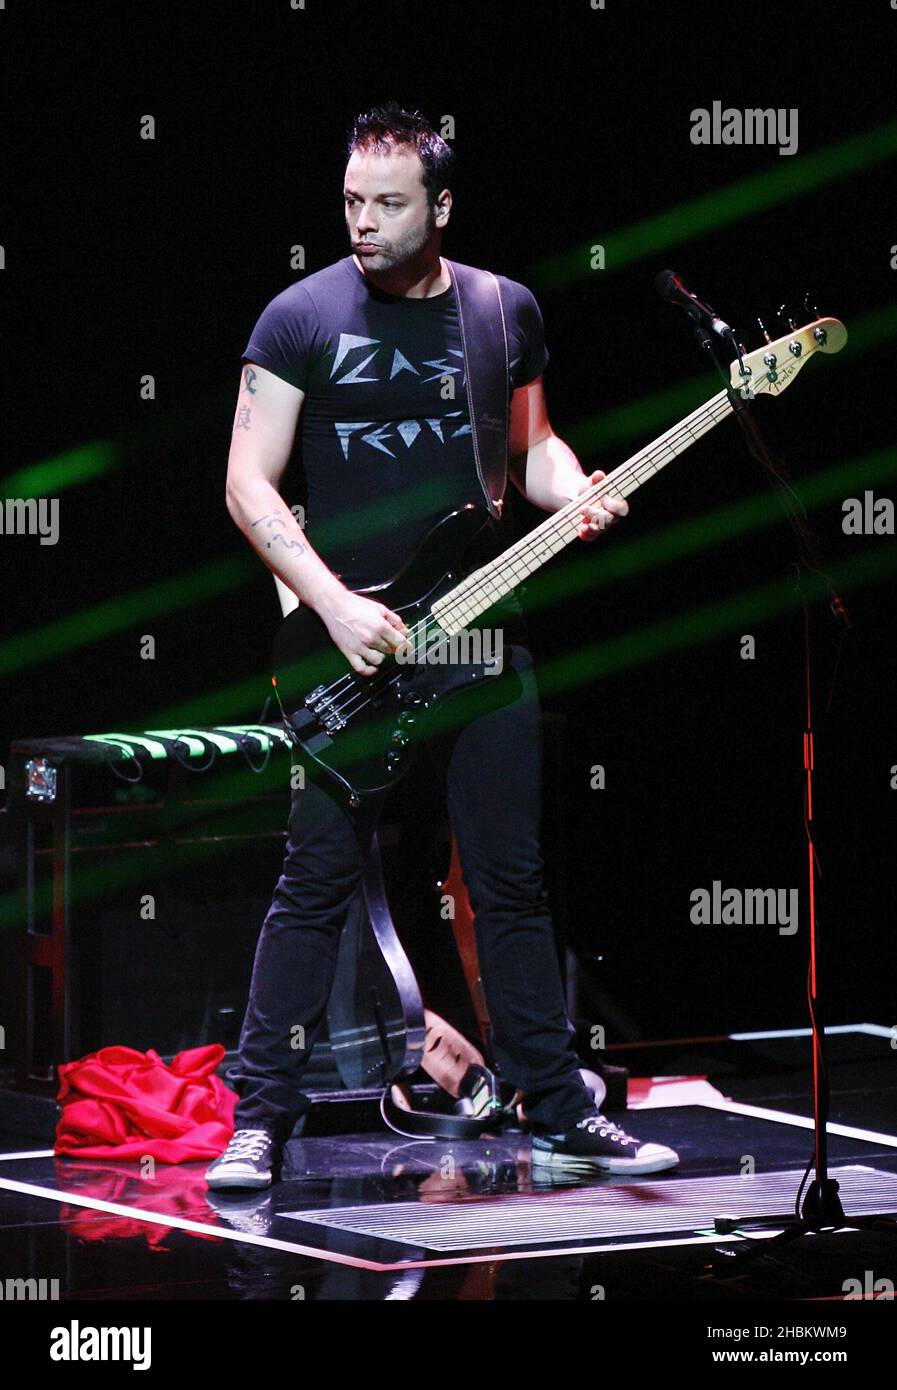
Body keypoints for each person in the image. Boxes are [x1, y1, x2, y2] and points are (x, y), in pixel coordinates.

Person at [206, 103, 679, 1189]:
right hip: (346, 645)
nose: (361, 224)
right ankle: (259, 1119)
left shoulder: (502, 311)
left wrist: (580, 488)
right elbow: (245, 482)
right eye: (350, 203)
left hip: (477, 635)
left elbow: (535, 446)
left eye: (387, 204)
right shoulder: (298, 317)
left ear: (442, 204)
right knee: (316, 881)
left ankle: (558, 1111)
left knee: (508, 882)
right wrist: (330, 604)